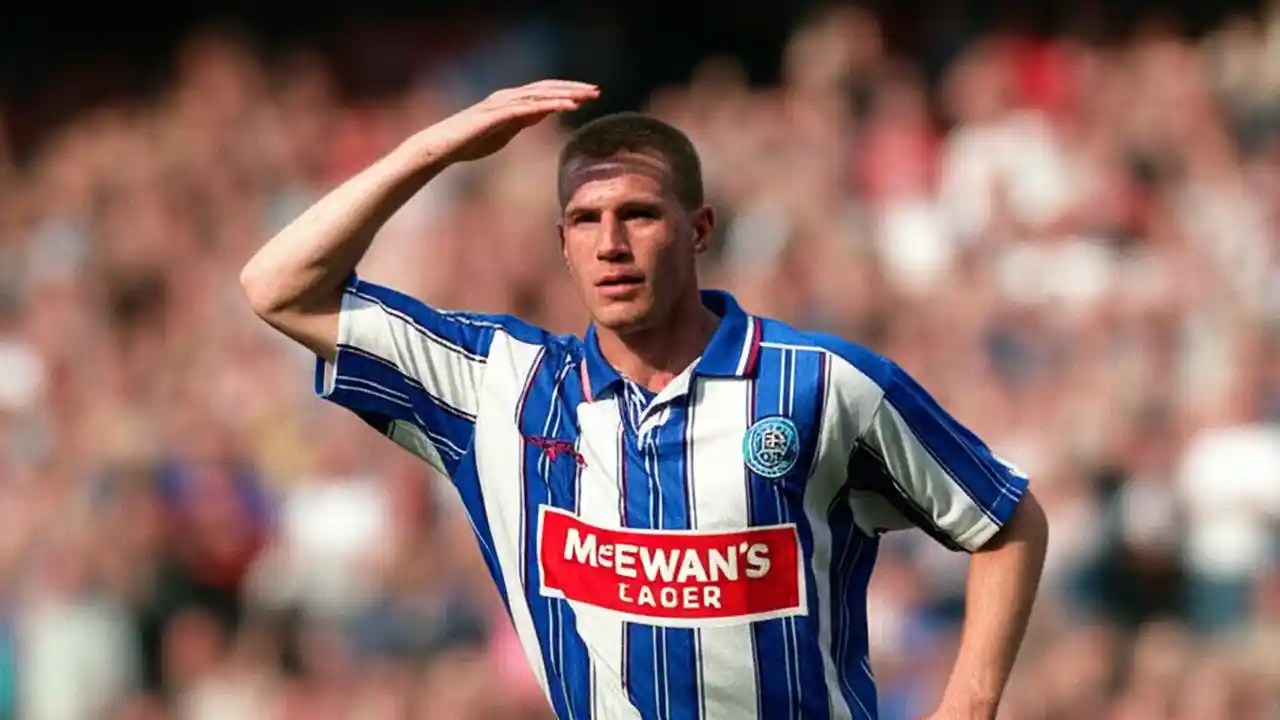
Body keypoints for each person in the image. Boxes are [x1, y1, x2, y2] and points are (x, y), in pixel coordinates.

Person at [239, 79, 1049, 720]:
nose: (611, 243)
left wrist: (969, 702)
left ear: (697, 229)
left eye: (638, 215)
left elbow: (1004, 517)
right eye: (585, 220)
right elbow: (277, 286)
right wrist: (433, 151)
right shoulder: (501, 386)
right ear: (562, 244)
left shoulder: (821, 384)